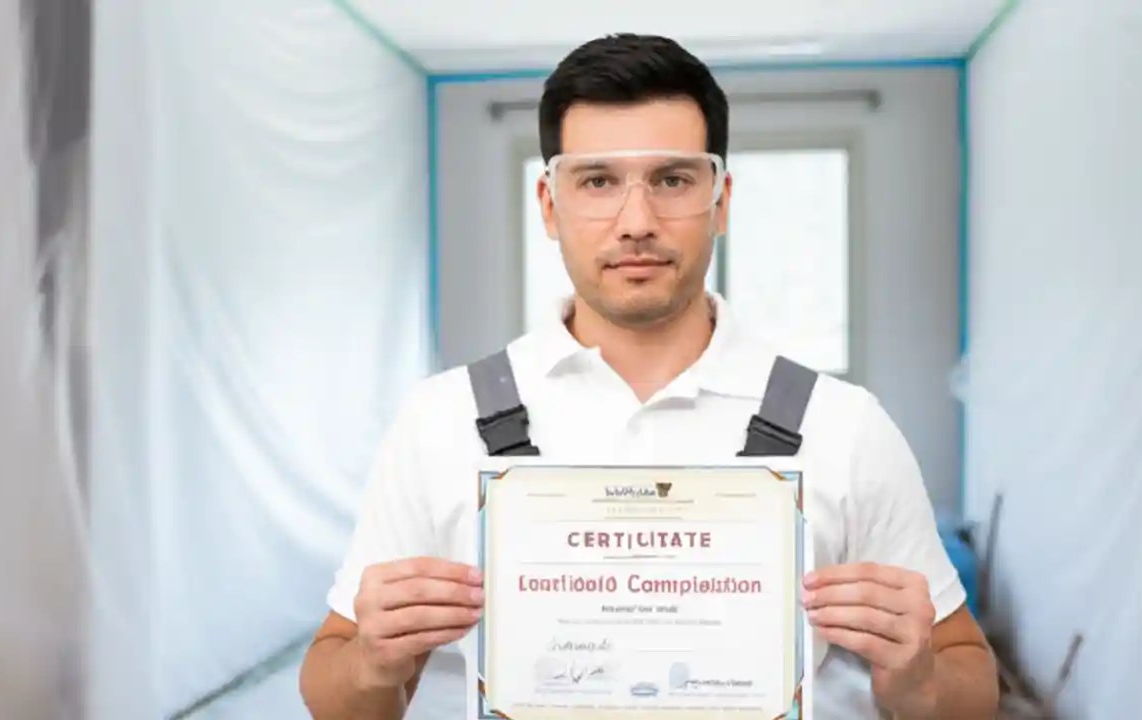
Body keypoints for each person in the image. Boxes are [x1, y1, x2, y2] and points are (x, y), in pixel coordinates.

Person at [299, 33, 999, 720]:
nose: (636, 221)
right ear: (550, 204)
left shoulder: (844, 426)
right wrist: (369, 663)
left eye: (672, 180)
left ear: (721, 200)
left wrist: (917, 681)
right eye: (598, 181)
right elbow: (333, 690)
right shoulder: (441, 420)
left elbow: (969, 678)